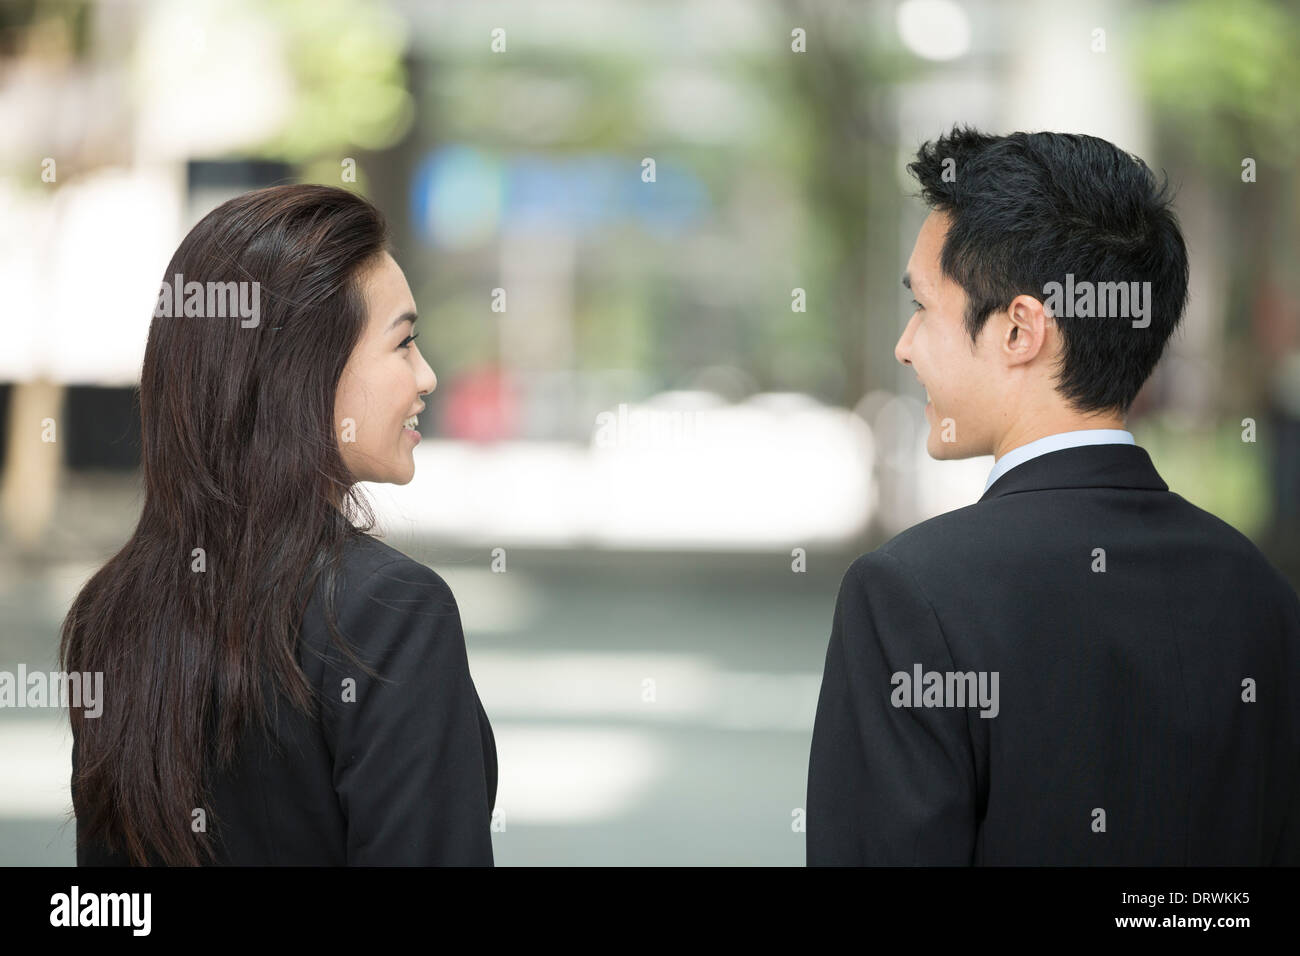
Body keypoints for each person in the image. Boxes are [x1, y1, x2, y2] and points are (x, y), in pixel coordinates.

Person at [806, 126, 1300, 865]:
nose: (906, 345)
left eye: (924, 307)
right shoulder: (1260, 591)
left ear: (1019, 330)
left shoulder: (908, 598)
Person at [62, 184, 497, 865]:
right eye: (404, 343)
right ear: (305, 370)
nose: (427, 377)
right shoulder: (391, 613)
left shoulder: (112, 608)